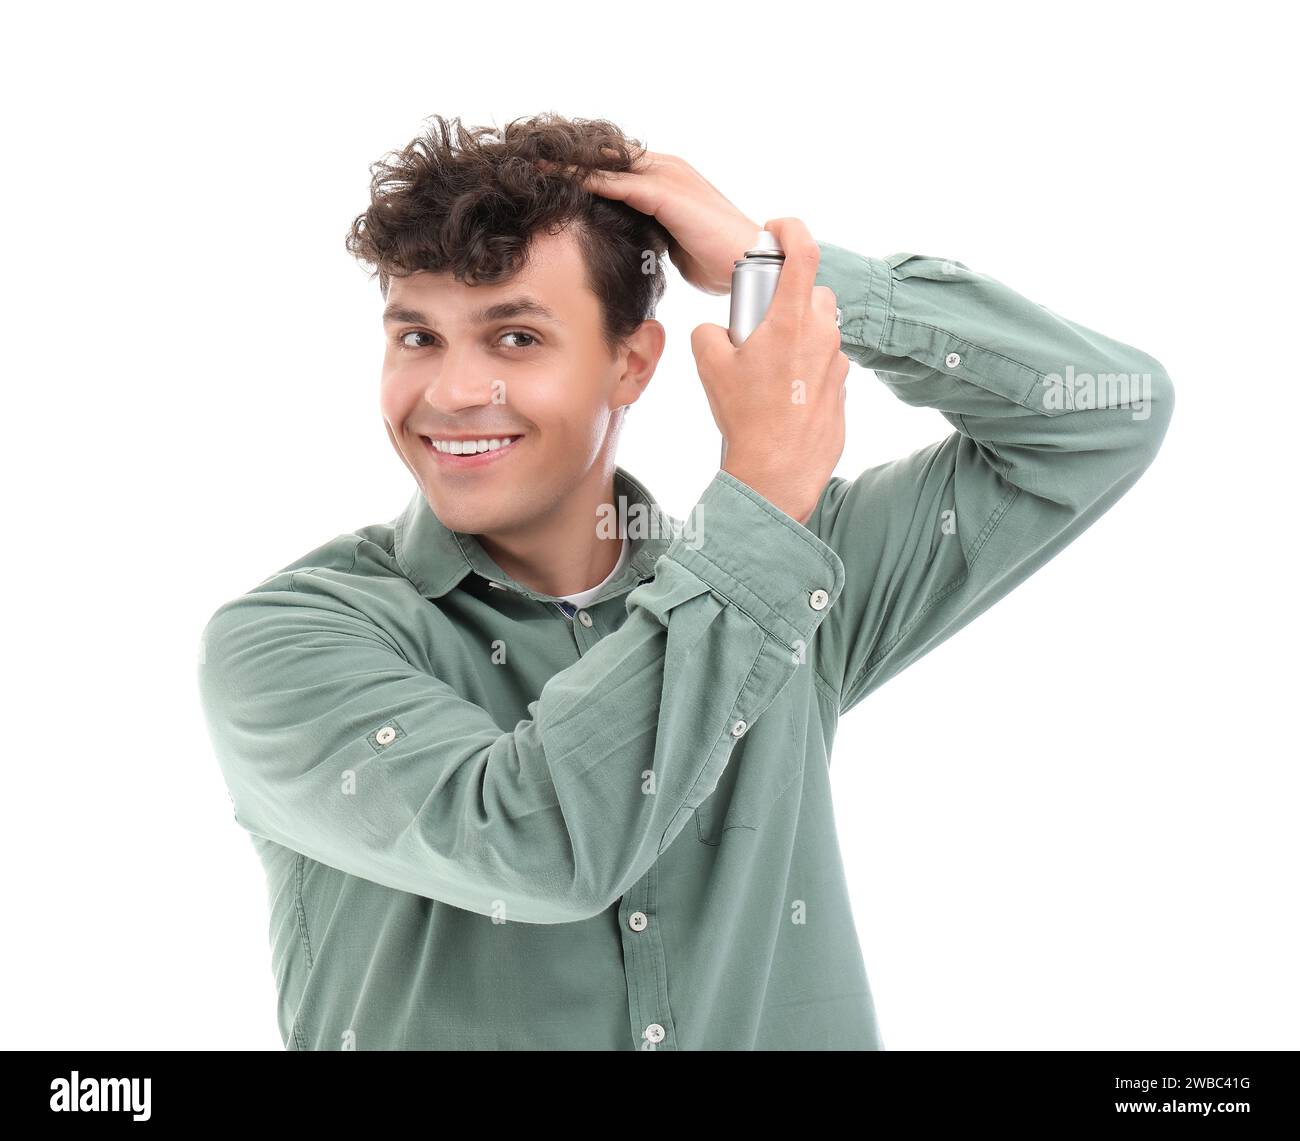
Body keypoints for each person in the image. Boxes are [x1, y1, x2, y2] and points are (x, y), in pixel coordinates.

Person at [196, 112, 1174, 1050]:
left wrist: (777, 274)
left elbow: (1103, 414)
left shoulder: (798, 572)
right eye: (417, 337)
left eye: (514, 338)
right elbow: (537, 841)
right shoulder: (287, 639)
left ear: (631, 364)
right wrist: (761, 489)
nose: (451, 393)